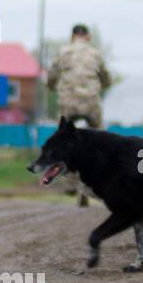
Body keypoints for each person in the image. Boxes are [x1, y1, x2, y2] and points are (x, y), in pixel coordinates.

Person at [47, 24, 112, 206]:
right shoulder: (96, 54)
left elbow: (52, 76)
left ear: (72, 37)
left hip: (68, 102)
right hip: (91, 102)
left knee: (62, 139)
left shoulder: (63, 52)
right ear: (88, 37)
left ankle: (69, 182)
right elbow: (106, 78)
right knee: (99, 140)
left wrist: (52, 87)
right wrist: (103, 85)